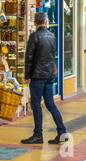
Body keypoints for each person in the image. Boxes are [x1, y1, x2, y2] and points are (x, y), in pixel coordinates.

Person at [21, 11, 69, 145]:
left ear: (36, 22)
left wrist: (27, 75)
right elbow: (52, 55)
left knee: (36, 105)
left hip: (37, 76)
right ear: (46, 22)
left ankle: (38, 135)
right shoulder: (52, 36)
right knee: (50, 104)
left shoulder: (34, 36)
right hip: (49, 75)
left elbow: (29, 58)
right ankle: (62, 132)